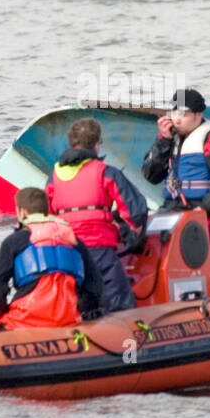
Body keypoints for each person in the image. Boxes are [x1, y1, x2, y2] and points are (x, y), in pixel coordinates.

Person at [141, 88, 210, 294]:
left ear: (198, 115)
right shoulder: (170, 139)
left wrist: (207, 206)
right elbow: (150, 175)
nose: (177, 120)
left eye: (184, 114)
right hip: (174, 215)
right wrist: (163, 141)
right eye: (174, 114)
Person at [45, 117, 148, 314]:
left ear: (71, 144)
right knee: (120, 301)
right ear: (96, 145)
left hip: (67, 249)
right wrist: (132, 235)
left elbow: (47, 215)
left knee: (79, 300)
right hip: (99, 249)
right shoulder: (105, 172)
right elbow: (136, 209)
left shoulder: (54, 177)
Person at [0, 187, 103, 330]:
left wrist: (1, 311)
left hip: (27, 318)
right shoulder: (74, 241)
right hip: (68, 317)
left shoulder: (13, 241)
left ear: (22, 212)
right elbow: (94, 285)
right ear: (46, 211)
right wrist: (84, 311)